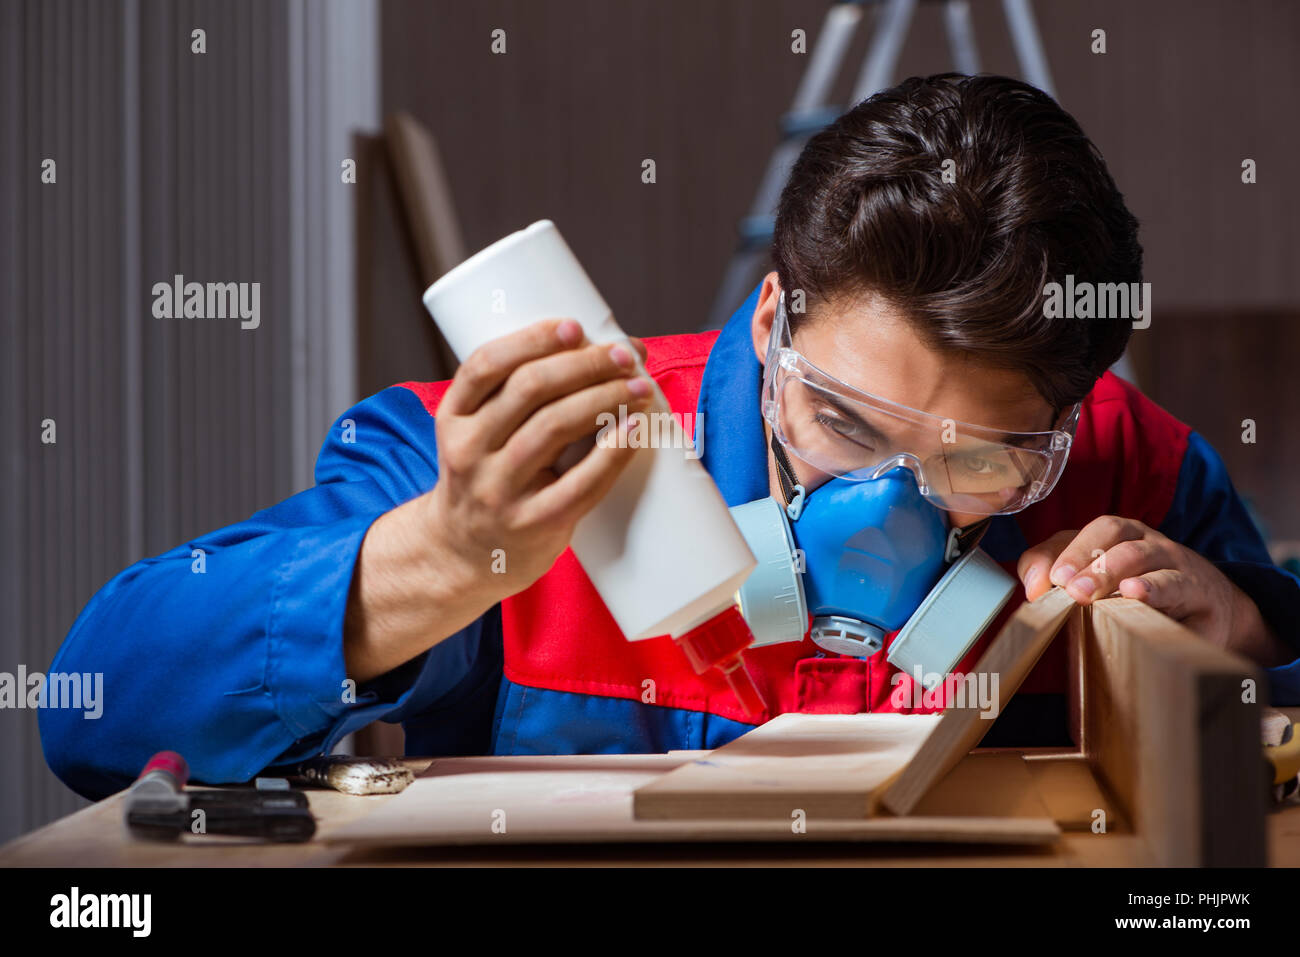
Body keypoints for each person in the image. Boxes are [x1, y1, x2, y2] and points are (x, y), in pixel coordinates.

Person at [42, 75, 1300, 800]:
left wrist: (1249, 642)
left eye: (982, 461)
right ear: (769, 319)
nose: (891, 502)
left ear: (1065, 425)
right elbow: (94, 716)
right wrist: (445, 555)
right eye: (840, 419)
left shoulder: (1133, 469)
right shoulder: (520, 464)